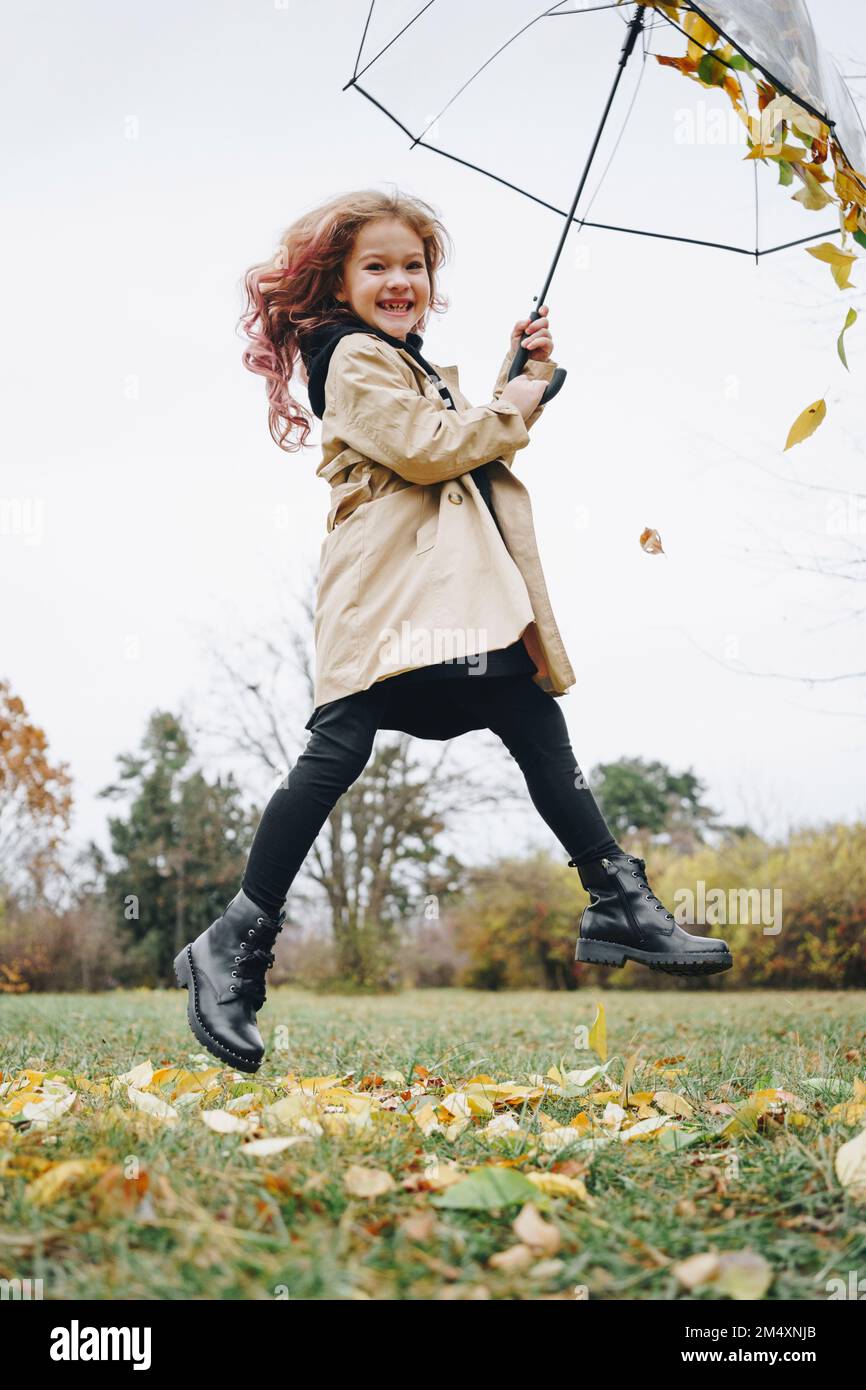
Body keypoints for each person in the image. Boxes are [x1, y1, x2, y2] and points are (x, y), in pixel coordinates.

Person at [174, 188, 732, 1073]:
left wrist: (519, 382)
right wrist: (516, 398)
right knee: (337, 750)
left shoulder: (405, 361)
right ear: (339, 280)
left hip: (442, 601)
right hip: (390, 598)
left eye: (416, 266)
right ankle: (232, 943)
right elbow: (432, 449)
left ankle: (617, 896)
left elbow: (456, 439)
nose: (401, 281)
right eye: (378, 266)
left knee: (527, 710)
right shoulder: (352, 357)